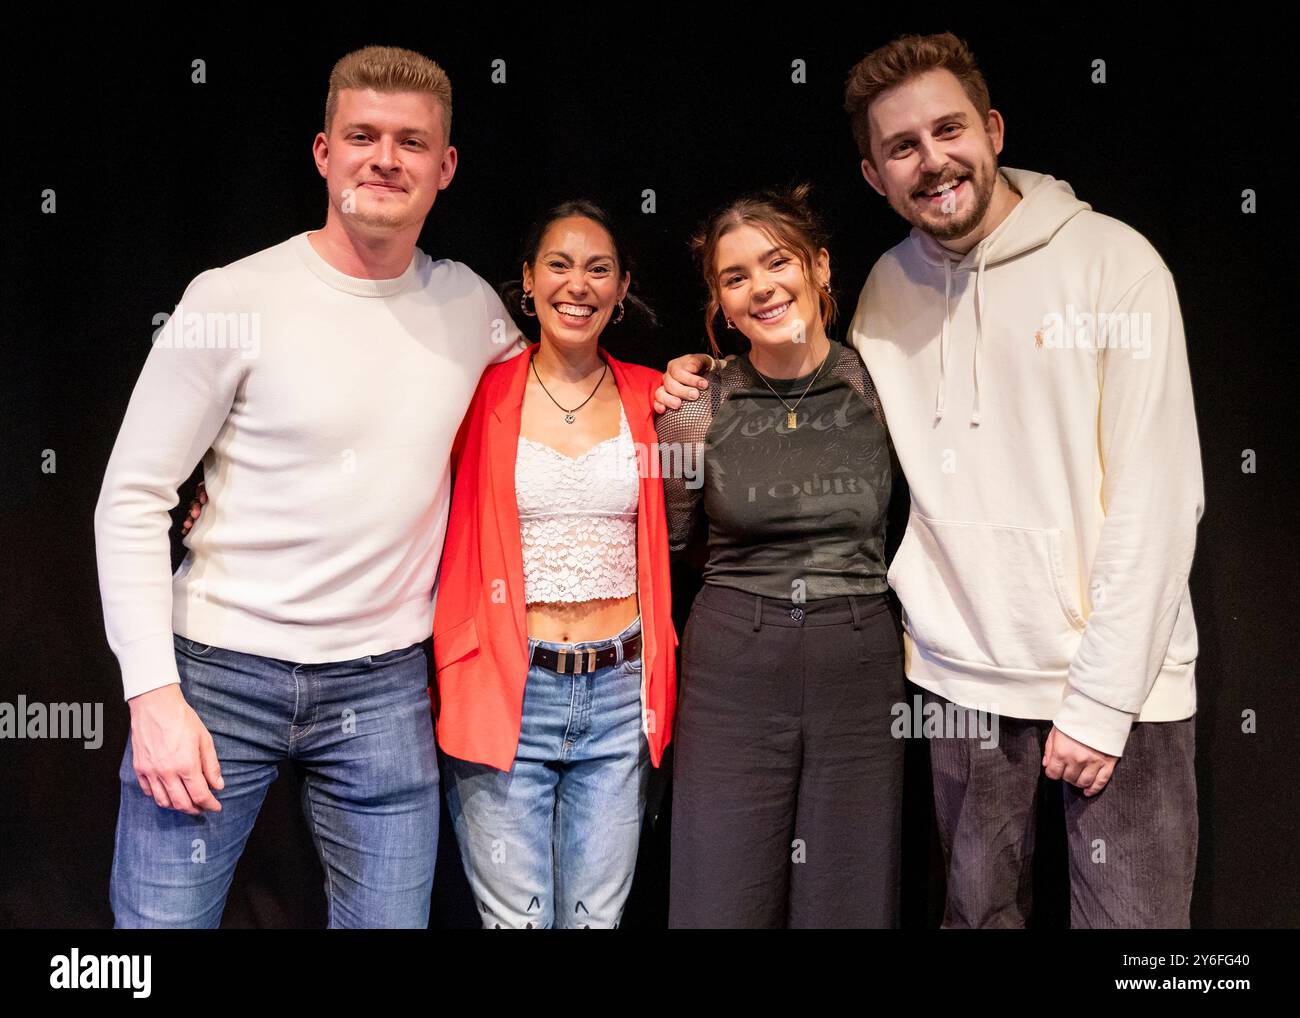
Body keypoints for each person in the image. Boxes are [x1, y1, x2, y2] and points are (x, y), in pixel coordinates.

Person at [656, 32, 1203, 929]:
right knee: (974, 919)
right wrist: (698, 382)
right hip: (960, 685)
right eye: (901, 147)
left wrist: (1103, 702)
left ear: (991, 129)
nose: (932, 160)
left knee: (1140, 943)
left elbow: (1160, 498)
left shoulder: (1115, 264)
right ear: (875, 175)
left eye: (948, 130)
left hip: (1123, 687)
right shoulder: (886, 289)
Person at [94, 45, 527, 928]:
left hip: (384, 685)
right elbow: (133, 497)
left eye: (411, 142)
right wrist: (151, 695)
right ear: (323, 152)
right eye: (362, 135)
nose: (385, 158)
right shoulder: (232, 296)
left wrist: (669, 390)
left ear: (445, 168)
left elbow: (561, 404)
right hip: (215, 675)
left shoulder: (471, 307)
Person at [655, 184, 905, 928]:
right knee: (718, 897)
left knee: (849, 898)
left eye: (777, 263)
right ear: (720, 304)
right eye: (735, 278)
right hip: (733, 663)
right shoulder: (697, 406)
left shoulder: (882, 384)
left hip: (858, 663)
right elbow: (663, 541)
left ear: (820, 267)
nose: (761, 287)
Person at [431, 201, 677, 929]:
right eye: (560, 266)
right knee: (518, 920)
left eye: (599, 268)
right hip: (508, 687)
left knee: (594, 919)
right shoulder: (475, 396)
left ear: (622, 286)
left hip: (619, 693)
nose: (579, 285)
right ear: (529, 283)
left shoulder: (654, 395)